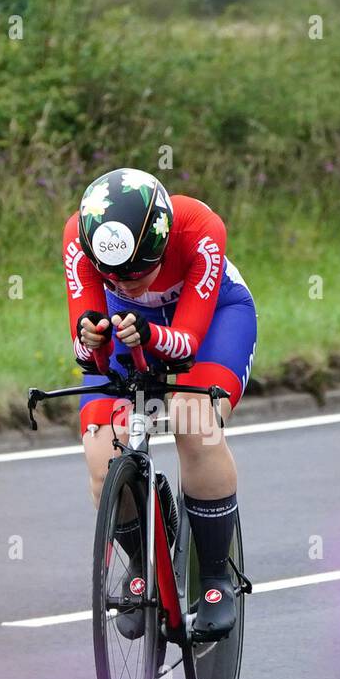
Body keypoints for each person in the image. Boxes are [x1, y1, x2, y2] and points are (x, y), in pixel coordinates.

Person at [62, 167, 257, 640]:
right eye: (112, 277)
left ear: (161, 246)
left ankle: (215, 578)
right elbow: (89, 353)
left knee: (195, 423)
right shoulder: (78, 238)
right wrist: (91, 340)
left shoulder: (200, 229)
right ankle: (139, 560)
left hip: (210, 321)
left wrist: (147, 333)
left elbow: (187, 343)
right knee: (100, 452)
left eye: (138, 273)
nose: (125, 284)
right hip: (131, 328)